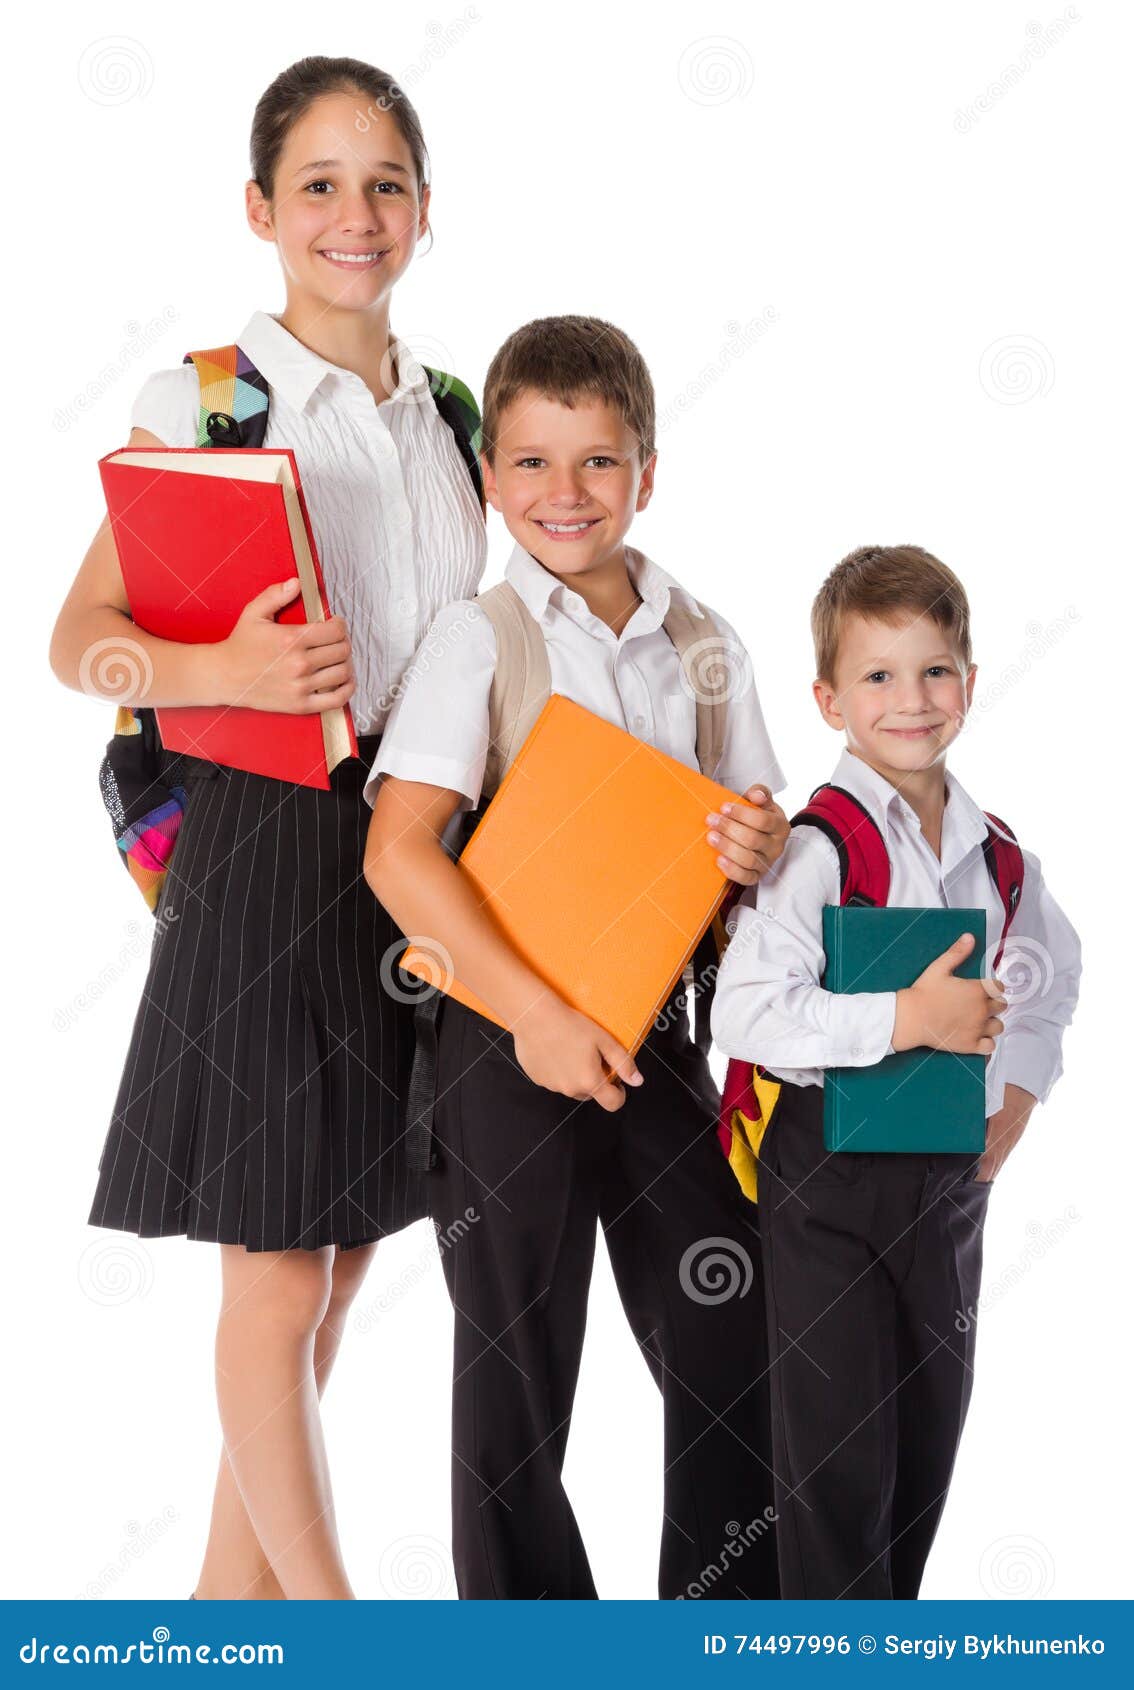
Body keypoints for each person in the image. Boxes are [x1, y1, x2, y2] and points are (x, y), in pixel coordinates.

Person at [48, 56, 486, 1600]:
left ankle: (217, 1623)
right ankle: (336, 1631)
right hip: (267, 841)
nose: (351, 215)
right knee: (274, 1265)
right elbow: (76, 640)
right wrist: (215, 667)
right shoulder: (209, 400)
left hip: (411, 850)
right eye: (317, 183)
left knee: (344, 1255)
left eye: (382, 184)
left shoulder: (449, 409)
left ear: (423, 211)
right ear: (260, 207)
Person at [365, 315, 788, 1598]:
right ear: (490, 478)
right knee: (516, 1372)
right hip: (504, 1050)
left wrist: (761, 847)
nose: (566, 494)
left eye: (597, 463)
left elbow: (756, 834)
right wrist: (537, 1017)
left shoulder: (704, 639)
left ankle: (718, 1627)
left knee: (733, 1334)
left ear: (645, 474)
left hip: (658, 1035)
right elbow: (400, 855)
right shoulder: (474, 638)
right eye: (533, 464)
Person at [711, 544, 1082, 1598]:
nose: (910, 700)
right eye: (878, 675)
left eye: (934, 671)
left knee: (924, 1443)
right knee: (837, 1459)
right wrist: (908, 1015)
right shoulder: (816, 847)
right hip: (825, 1176)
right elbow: (746, 1010)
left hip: (946, 1181)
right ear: (828, 698)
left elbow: (1054, 973)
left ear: (968, 680)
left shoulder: (999, 852)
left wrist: (1016, 1088)